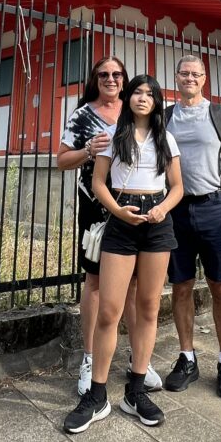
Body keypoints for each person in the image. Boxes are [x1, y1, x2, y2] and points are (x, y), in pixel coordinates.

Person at [63, 74, 183, 434]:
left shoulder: (166, 139)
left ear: (157, 101)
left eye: (150, 94)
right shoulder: (115, 137)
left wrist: (164, 208)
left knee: (147, 308)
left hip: (157, 222)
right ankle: (97, 395)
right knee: (110, 310)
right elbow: (98, 181)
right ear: (128, 98)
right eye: (137, 93)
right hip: (122, 219)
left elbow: (178, 186)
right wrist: (117, 211)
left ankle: (135, 390)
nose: (143, 98)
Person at [57, 56, 162, 395]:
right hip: (96, 207)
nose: (111, 79)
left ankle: (138, 358)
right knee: (96, 282)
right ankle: (89, 357)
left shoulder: (135, 111)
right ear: (95, 79)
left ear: (126, 80)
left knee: (132, 285)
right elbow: (61, 160)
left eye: (117, 74)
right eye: (104, 74)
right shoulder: (82, 114)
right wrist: (88, 149)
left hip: (137, 205)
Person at [164, 54, 221, 398]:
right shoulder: (167, 117)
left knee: (220, 284)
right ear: (176, 77)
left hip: (214, 205)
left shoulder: (219, 114)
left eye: (196, 74)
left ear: (204, 79)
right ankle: (187, 357)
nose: (190, 78)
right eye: (184, 73)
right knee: (182, 286)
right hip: (177, 210)